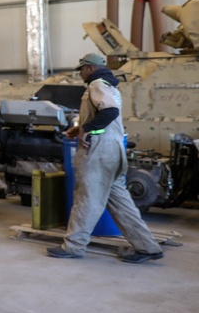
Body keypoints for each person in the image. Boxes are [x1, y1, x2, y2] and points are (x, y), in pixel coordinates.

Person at [47, 52, 164, 263]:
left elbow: (109, 112)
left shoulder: (96, 85)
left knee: (87, 199)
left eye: (82, 69)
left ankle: (73, 246)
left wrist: (87, 130)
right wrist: (80, 128)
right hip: (113, 151)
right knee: (121, 202)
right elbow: (106, 115)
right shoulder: (110, 86)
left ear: (90, 68)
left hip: (99, 154)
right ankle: (147, 247)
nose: (80, 73)